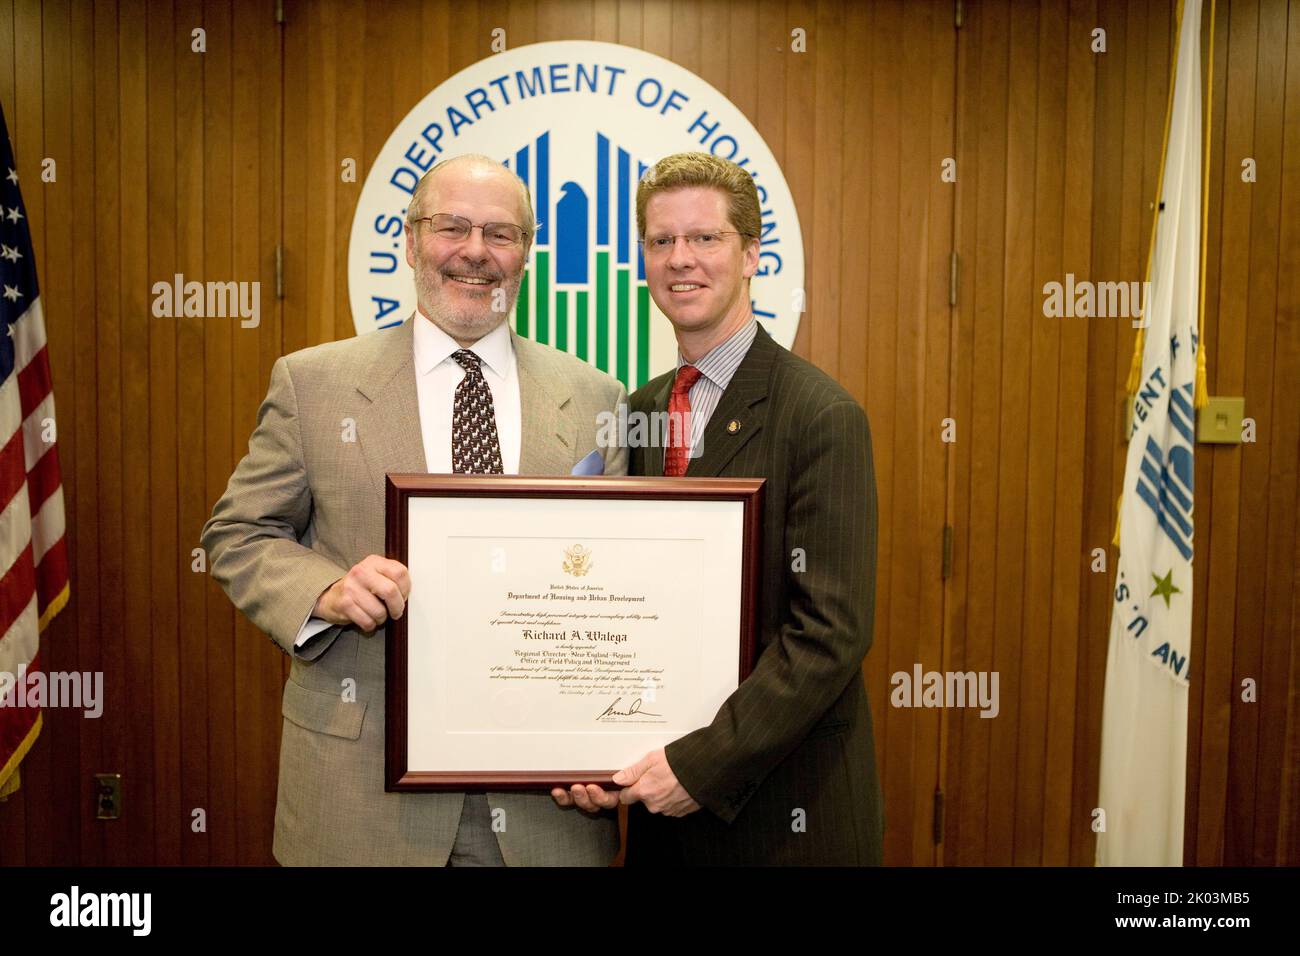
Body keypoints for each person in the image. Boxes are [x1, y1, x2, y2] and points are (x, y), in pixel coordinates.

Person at [202, 154, 627, 866]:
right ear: (408, 241)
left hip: (542, 808)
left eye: (501, 232)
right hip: (360, 800)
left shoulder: (595, 397)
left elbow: (614, 588)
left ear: (526, 253)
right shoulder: (314, 384)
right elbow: (238, 535)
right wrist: (325, 591)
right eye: (450, 226)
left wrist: (606, 739)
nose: (475, 251)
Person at [552, 152, 882, 865]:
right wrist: (593, 750)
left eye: (706, 239)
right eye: (661, 241)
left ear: (752, 254)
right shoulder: (639, 410)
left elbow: (830, 633)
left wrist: (698, 767)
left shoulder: (821, 414)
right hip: (663, 819)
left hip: (784, 816)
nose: (681, 260)